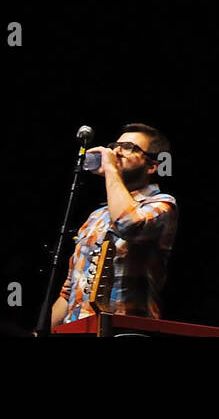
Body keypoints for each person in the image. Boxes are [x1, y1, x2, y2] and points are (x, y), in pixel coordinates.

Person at [50, 124, 178, 327]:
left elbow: (128, 224)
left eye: (128, 147)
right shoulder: (96, 216)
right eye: (115, 145)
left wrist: (110, 169)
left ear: (152, 165)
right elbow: (69, 291)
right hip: (78, 328)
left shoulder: (162, 204)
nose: (116, 151)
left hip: (123, 329)